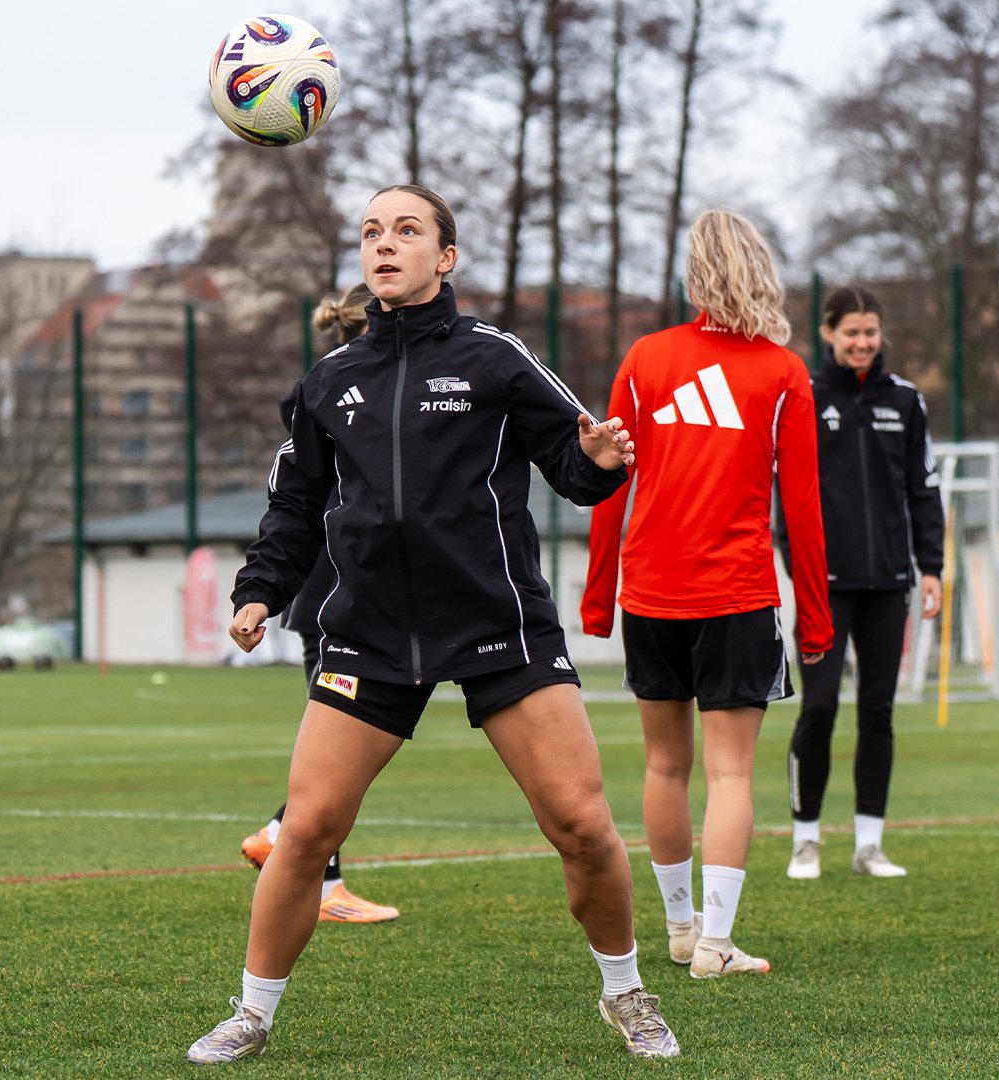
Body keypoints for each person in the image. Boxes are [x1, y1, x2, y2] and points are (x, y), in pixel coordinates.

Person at [187, 184, 679, 1064]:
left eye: (406, 230)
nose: (385, 243)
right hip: (370, 635)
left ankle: (626, 994)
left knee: (582, 824)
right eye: (372, 231)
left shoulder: (494, 356)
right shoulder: (329, 383)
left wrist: (600, 458)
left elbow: (575, 464)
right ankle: (252, 1014)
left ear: (444, 257)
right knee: (305, 832)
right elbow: (293, 511)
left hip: (498, 623)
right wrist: (258, 592)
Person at [581, 209, 832, 980]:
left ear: (693, 271)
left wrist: (597, 597)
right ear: (762, 267)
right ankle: (716, 947)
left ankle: (682, 931)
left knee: (665, 767)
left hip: (649, 594)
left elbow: (606, 483)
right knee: (729, 776)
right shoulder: (783, 371)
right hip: (737, 596)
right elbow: (806, 509)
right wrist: (817, 618)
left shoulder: (646, 357)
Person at [237, 282, 401, 926]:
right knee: (339, 754)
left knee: (351, 748)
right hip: (337, 603)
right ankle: (322, 881)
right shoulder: (333, 404)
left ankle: (279, 835)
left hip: (351, 602)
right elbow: (297, 511)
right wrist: (260, 591)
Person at [785, 285, 944, 880]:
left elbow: (923, 489)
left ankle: (869, 845)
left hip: (889, 585)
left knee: (877, 709)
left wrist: (932, 567)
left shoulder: (904, 401)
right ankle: (805, 840)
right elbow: (785, 496)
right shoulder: (802, 394)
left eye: (870, 332)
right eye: (851, 332)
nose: (861, 342)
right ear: (828, 333)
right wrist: (794, 564)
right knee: (820, 706)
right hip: (823, 585)